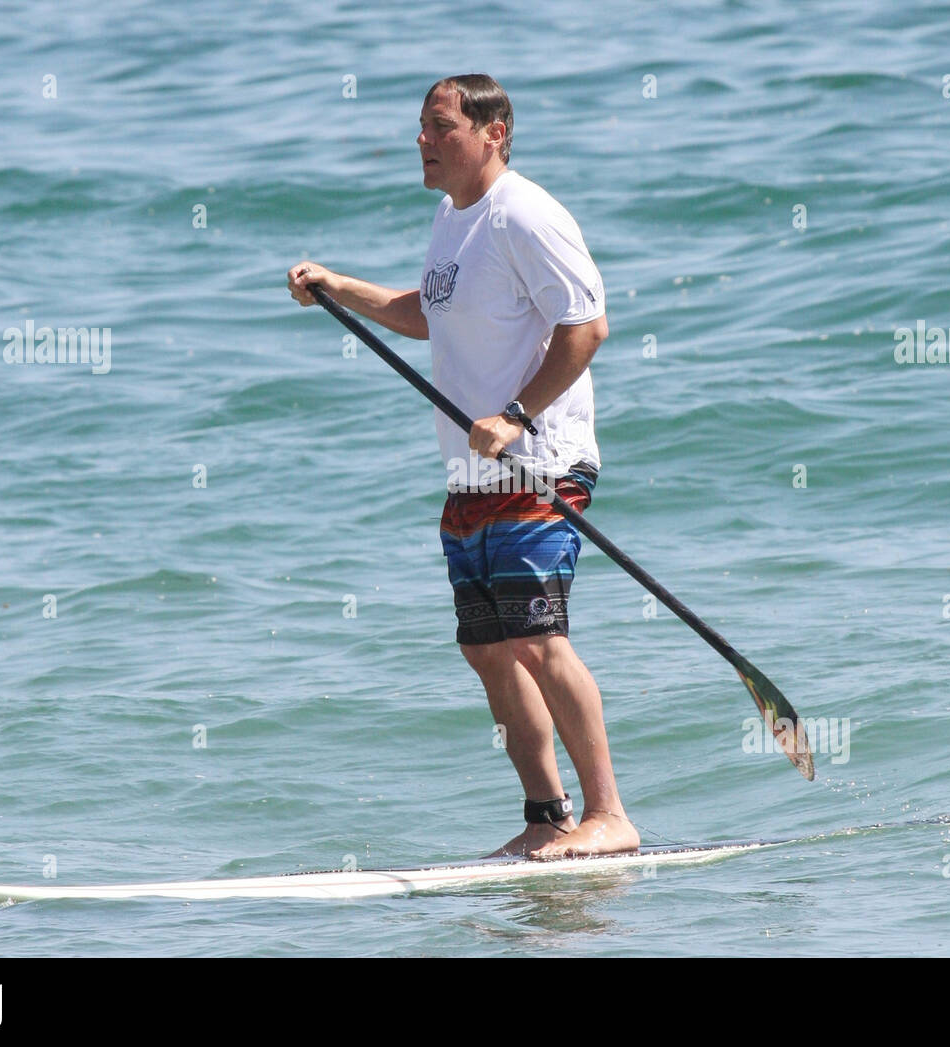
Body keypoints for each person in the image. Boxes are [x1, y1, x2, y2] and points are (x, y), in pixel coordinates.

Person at [287, 73, 637, 858]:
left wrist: (516, 415)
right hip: (471, 476)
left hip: (539, 467)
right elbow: (428, 312)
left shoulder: (526, 215)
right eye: (421, 126)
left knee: (539, 639)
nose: (422, 140)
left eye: (440, 127)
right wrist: (342, 288)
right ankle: (547, 814)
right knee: (487, 646)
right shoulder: (453, 219)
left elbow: (587, 328)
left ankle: (610, 814)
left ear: (493, 134)